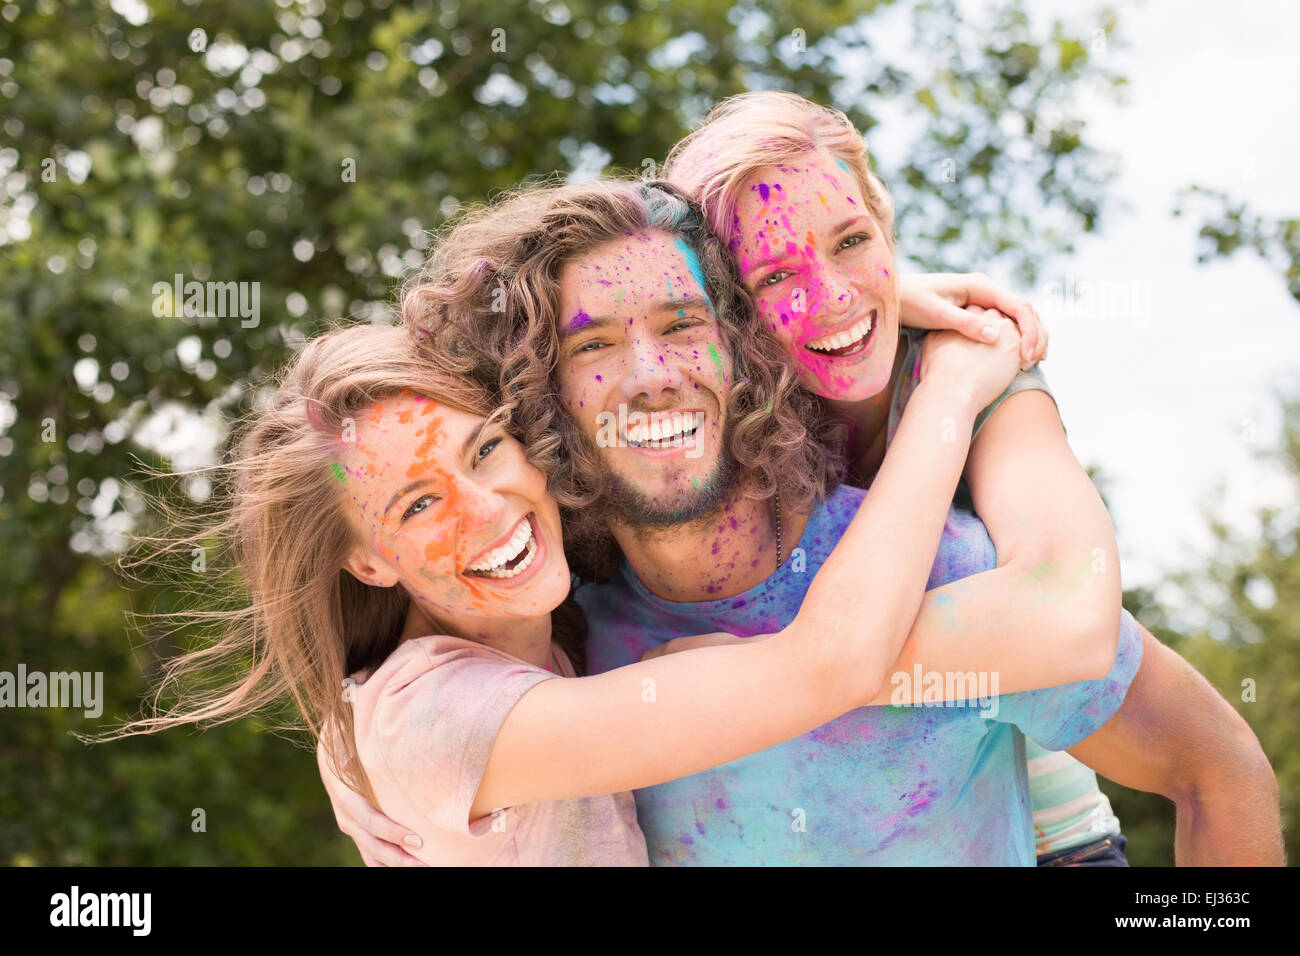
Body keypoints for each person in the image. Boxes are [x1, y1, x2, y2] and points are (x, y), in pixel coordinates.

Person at [324, 176, 1280, 865]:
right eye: (595, 345)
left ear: (742, 349)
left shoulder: (951, 573)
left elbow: (1220, 772)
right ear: (538, 392)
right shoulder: (557, 630)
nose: (652, 371)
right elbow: (411, 404)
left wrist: (926, 333)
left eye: (682, 324)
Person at [102, 317, 1092, 865]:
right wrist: (952, 397)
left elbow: (609, 318)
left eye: (486, 448)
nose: (488, 510)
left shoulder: (552, 605)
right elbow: (831, 662)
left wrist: (857, 301)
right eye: (416, 504)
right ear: (367, 561)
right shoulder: (430, 715)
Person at [660, 89, 1131, 863]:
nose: (833, 296)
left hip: (1049, 838)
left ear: (886, 230)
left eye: (853, 240)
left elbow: (1073, 616)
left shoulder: (970, 366)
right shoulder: (704, 417)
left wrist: (768, 677)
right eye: (775, 275)